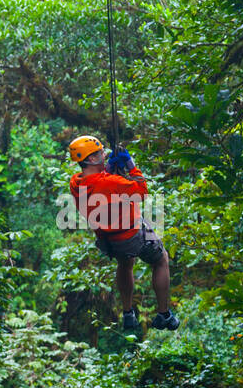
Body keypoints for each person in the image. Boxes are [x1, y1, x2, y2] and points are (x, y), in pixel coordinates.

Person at [68, 135, 179, 332]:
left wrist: (109, 169)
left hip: (108, 240)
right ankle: (164, 314)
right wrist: (130, 164)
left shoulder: (76, 182)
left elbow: (99, 183)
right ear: (92, 159)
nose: (105, 153)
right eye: (100, 152)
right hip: (130, 234)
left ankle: (128, 312)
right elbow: (142, 190)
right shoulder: (110, 182)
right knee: (161, 258)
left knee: (125, 263)